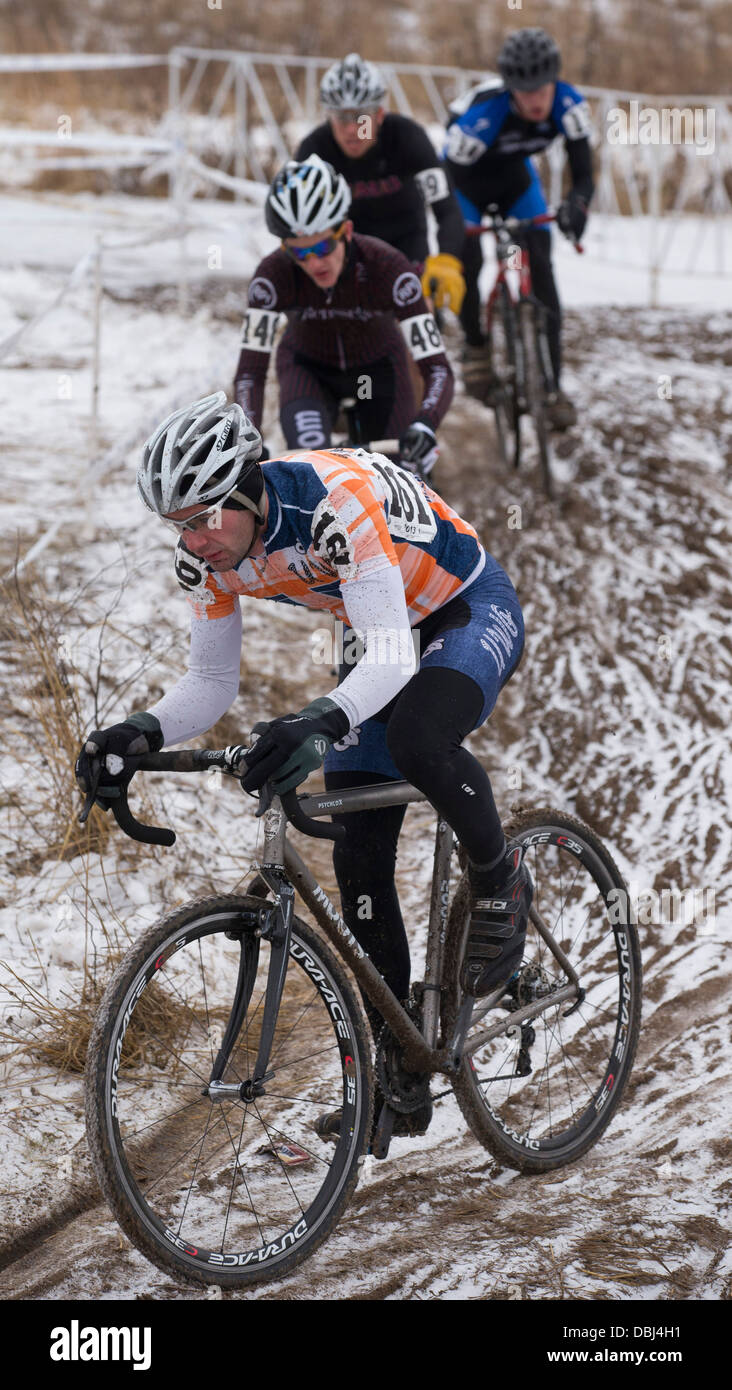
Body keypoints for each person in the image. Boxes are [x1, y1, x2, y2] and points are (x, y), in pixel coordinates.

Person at [75, 392, 532, 1138]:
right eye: (177, 527)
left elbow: (390, 653)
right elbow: (213, 680)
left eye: (202, 519)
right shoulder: (209, 560)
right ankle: (402, 1070)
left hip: (465, 607)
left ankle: (500, 879)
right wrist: (137, 732)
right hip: (376, 623)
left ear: (246, 487)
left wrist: (321, 718)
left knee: (419, 739)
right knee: (359, 856)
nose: (192, 542)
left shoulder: (334, 502)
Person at [234, 153, 454, 480]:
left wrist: (426, 422)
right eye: (299, 252)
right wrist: (250, 440)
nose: (313, 263)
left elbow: (437, 367)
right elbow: (251, 372)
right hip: (308, 371)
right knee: (314, 476)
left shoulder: (388, 267)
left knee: (397, 484)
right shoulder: (272, 275)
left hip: (379, 371)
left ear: (346, 230)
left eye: (322, 248)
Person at [444, 27, 594, 429]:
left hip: (516, 181)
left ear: (555, 82)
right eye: (525, 93)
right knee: (467, 264)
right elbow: (447, 178)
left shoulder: (569, 104)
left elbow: (583, 173)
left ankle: (552, 388)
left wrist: (577, 206)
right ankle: (476, 346)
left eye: (542, 90)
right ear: (511, 89)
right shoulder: (482, 116)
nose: (535, 100)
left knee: (543, 271)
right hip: (466, 185)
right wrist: (454, 231)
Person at [296, 52, 466, 316]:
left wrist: (447, 260)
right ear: (329, 117)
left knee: (420, 316)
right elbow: (297, 224)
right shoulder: (314, 151)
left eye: (361, 118)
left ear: (379, 114)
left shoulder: (409, 138)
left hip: (405, 240)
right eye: (341, 118)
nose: (351, 130)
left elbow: (447, 208)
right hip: (345, 244)